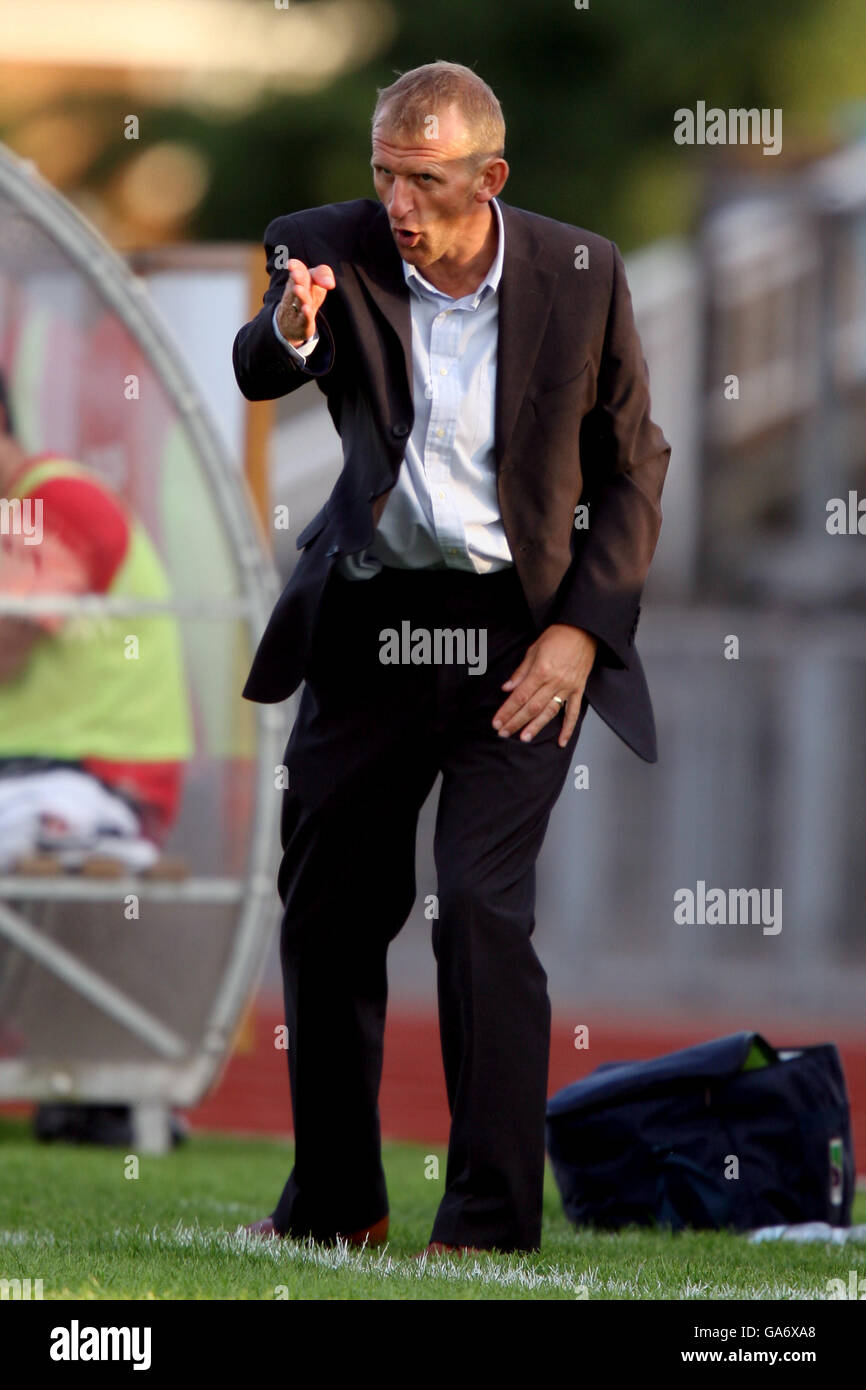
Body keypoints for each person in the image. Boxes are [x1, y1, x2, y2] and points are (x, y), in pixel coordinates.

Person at [232, 61, 670, 1254]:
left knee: (478, 907)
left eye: (422, 179)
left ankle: (484, 1219)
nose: (396, 202)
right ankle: (335, 1205)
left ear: (491, 177)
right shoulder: (322, 245)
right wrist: (291, 324)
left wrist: (582, 632)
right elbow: (265, 361)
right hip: (367, 631)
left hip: (517, 644)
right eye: (382, 172)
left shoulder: (582, 273)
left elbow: (634, 466)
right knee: (327, 914)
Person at [0, 368, 193, 1143]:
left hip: (97, 784)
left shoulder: (56, 503)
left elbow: (6, 643)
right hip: (45, 778)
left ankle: (115, 1090)